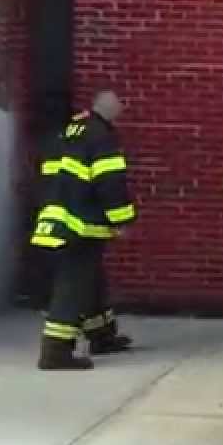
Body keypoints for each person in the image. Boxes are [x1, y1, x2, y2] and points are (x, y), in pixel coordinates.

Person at [31, 91, 138, 370]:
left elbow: (48, 175)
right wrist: (122, 221)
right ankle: (55, 351)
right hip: (79, 224)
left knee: (91, 279)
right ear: (112, 110)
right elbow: (110, 182)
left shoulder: (68, 131)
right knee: (73, 285)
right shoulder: (101, 136)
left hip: (56, 219)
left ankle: (101, 335)